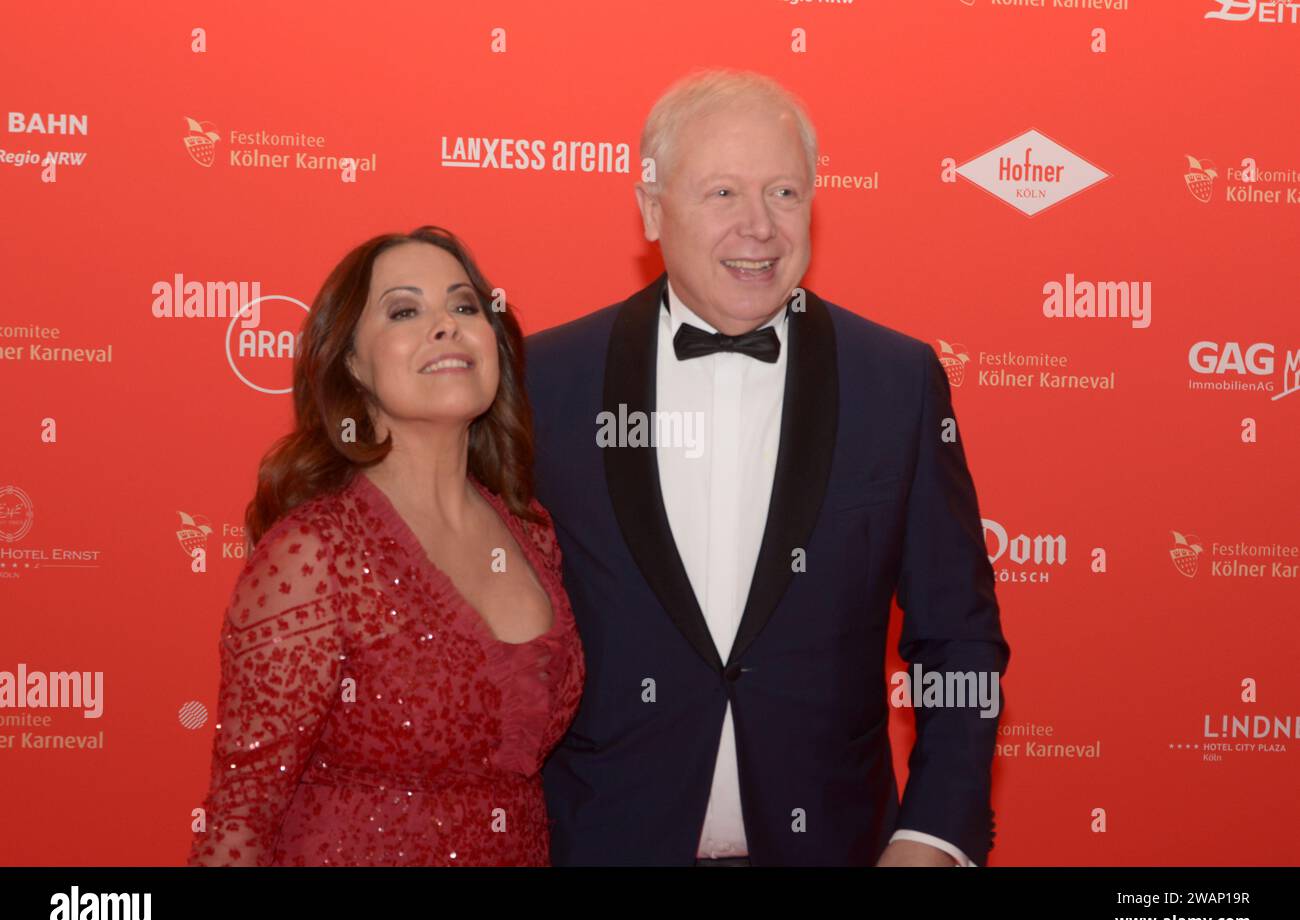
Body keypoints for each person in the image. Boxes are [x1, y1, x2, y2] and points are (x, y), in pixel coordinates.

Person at [525, 70, 1009, 866]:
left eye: (784, 192)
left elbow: (958, 640)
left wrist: (932, 839)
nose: (759, 228)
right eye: (722, 193)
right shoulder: (546, 381)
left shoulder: (896, 382)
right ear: (652, 209)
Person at [187, 226, 584, 866]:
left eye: (464, 307)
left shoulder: (529, 530)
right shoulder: (313, 554)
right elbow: (238, 824)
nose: (446, 327)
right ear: (351, 363)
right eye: (405, 311)